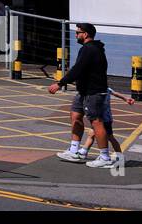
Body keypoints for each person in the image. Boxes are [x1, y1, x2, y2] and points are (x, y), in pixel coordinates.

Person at [48, 22, 114, 168]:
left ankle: (105, 157)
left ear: (85, 34)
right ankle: (74, 150)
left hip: (93, 92)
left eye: (78, 32)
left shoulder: (90, 49)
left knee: (97, 122)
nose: (76, 35)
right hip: (84, 91)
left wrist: (60, 84)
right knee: (75, 115)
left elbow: (78, 69)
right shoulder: (90, 48)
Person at [81, 86, 136, 165]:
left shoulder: (100, 90)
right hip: (100, 118)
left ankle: (120, 157)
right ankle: (83, 152)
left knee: (110, 138)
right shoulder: (104, 88)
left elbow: (114, 94)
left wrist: (126, 98)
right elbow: (115, 93)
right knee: (91, 134)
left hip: (104, 119)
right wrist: (126, 98)